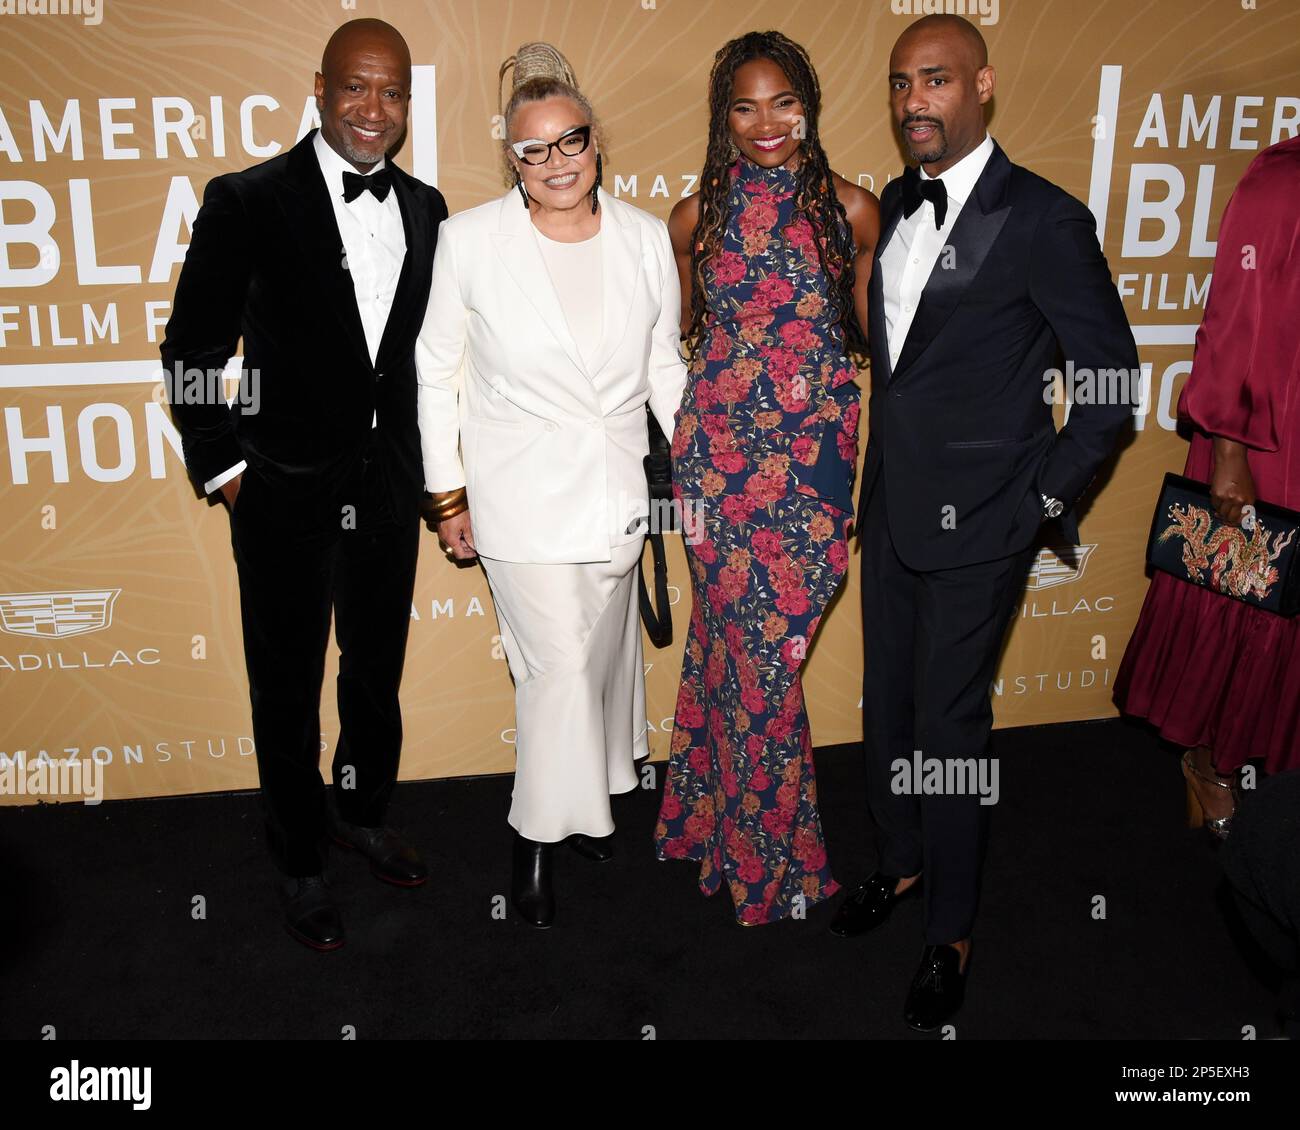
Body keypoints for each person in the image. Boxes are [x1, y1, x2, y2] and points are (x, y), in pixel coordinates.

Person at [837, 13, 1137, 1029]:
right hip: (891, 510)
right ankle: (901, 863)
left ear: (983, 85)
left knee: (952, 726)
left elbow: (1107, 386)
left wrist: (1042, 504)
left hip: (986, 526)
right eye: (899, 84)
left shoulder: (1043, 218)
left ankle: (950, 931)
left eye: (935, 80)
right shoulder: (890, 204)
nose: (914, 100)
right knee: (886, 707)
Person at [162, 19, 446, 951]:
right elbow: (193, 350)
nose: (374, 109)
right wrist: (228, 469)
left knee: (374, 672)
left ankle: (359, 813)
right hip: (280, 487)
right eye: (357, 88)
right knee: (284, 681)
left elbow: (427, 363)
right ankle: (297, 856)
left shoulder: (428, 209)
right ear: (320, 88)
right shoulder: (248, 200)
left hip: (387, 485)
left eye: (393, 93)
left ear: (409, 102)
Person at [415, 43, 686, 929]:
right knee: (557, 668)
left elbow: (663, 369)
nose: (556, 162)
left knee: (603, 658)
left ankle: (601, 790)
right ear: (511, 159)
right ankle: (538, 837)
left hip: (615, 493)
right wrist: (446, 496)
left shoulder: (647, 239)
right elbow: (435, 373)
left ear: (596, 141)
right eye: (533, 149)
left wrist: (704, 470)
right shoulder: (468, 241)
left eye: (570, 140)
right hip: (519, 498)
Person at [653, 31, 879, 926]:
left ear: (809, 104)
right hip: (717, 464)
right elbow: (687, 341)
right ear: (722, 117)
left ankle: (731, 833)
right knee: (730, 651)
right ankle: (750, 853)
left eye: (782, 101)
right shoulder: (692, 218)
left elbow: (876, 348)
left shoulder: (854, 212)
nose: (766, 123)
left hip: (814, 472)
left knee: (765, 664)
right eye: (744, 106)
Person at [1114, 134, 1300, 838]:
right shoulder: (1281, 182)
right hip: (1272, 442)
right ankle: (1209, 767)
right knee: (1256, 599)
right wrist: (1229, 451)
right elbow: (1234, 324)